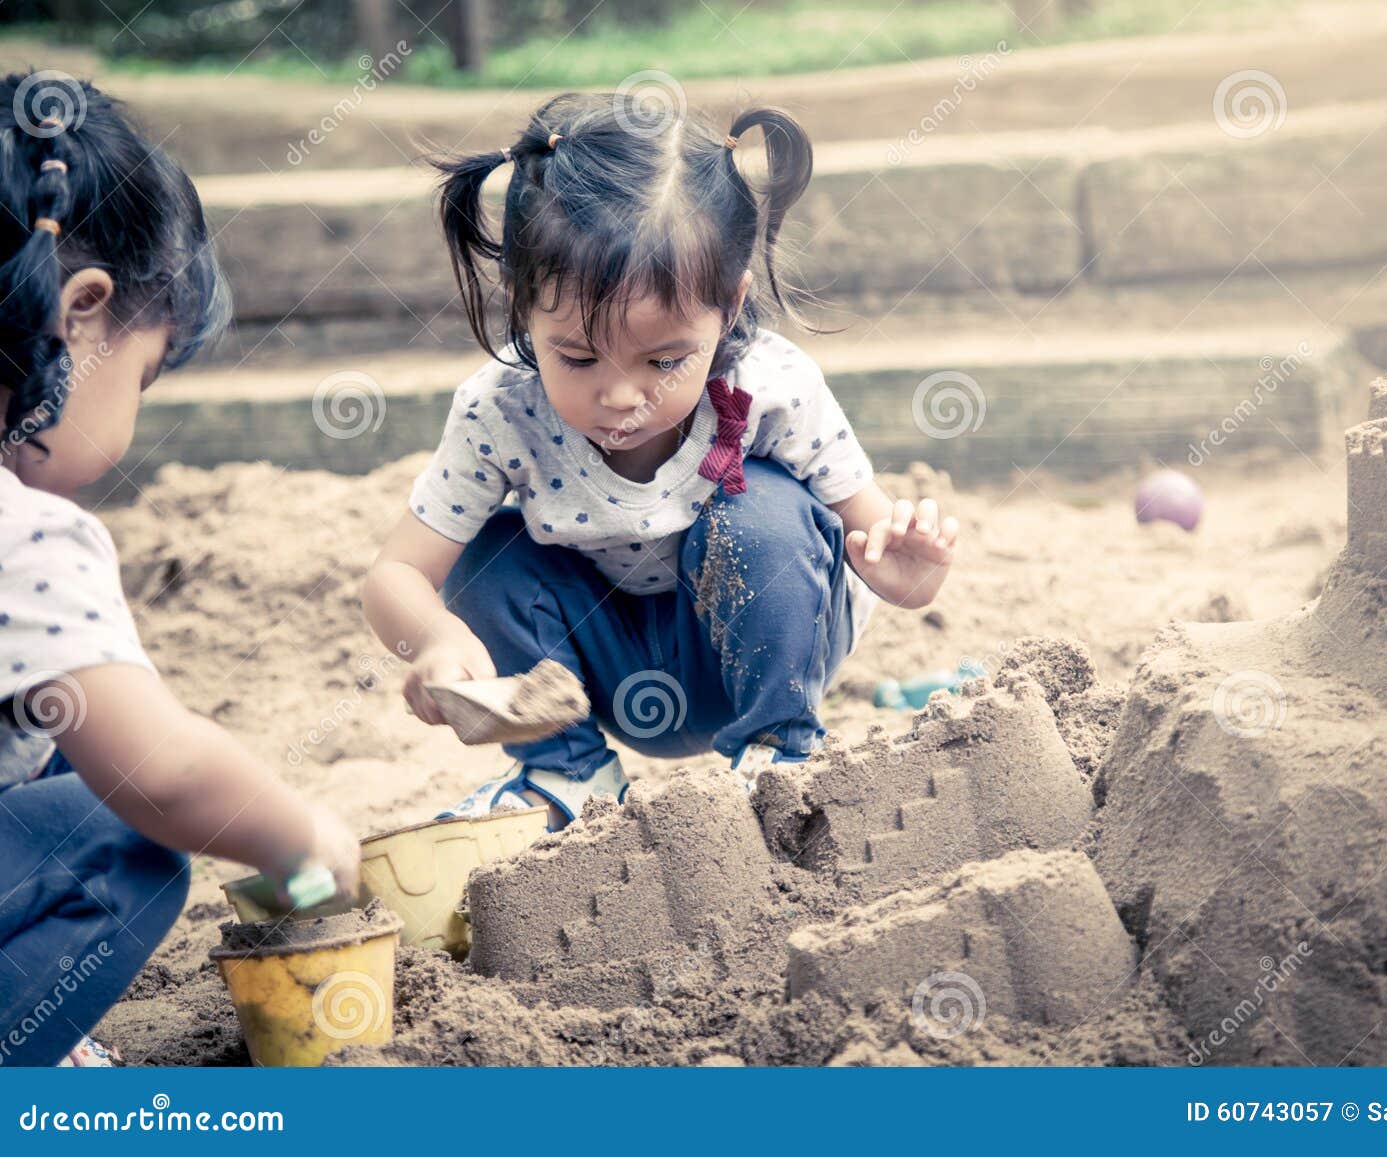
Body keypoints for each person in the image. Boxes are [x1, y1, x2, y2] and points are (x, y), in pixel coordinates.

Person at [363, 92, 958, 825]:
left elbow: (875, 541)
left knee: (761, 507)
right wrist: (436, 636)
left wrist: (910, 575)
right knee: (487, 555)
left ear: (729, 308)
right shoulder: (500, 411)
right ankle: (570, 774)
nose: (619, 394)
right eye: (577, 356)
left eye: (664, 360)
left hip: (754, 657)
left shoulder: (771, 385)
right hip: (604, 673)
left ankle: (780, 755)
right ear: (522, 307)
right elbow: (396, 573)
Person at [0, 72, 361, 1067]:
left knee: (72, 728)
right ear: (80, 313)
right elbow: (165, 774)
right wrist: (307, 845)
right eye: (144, 376)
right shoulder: (26, 535)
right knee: (120, 846)